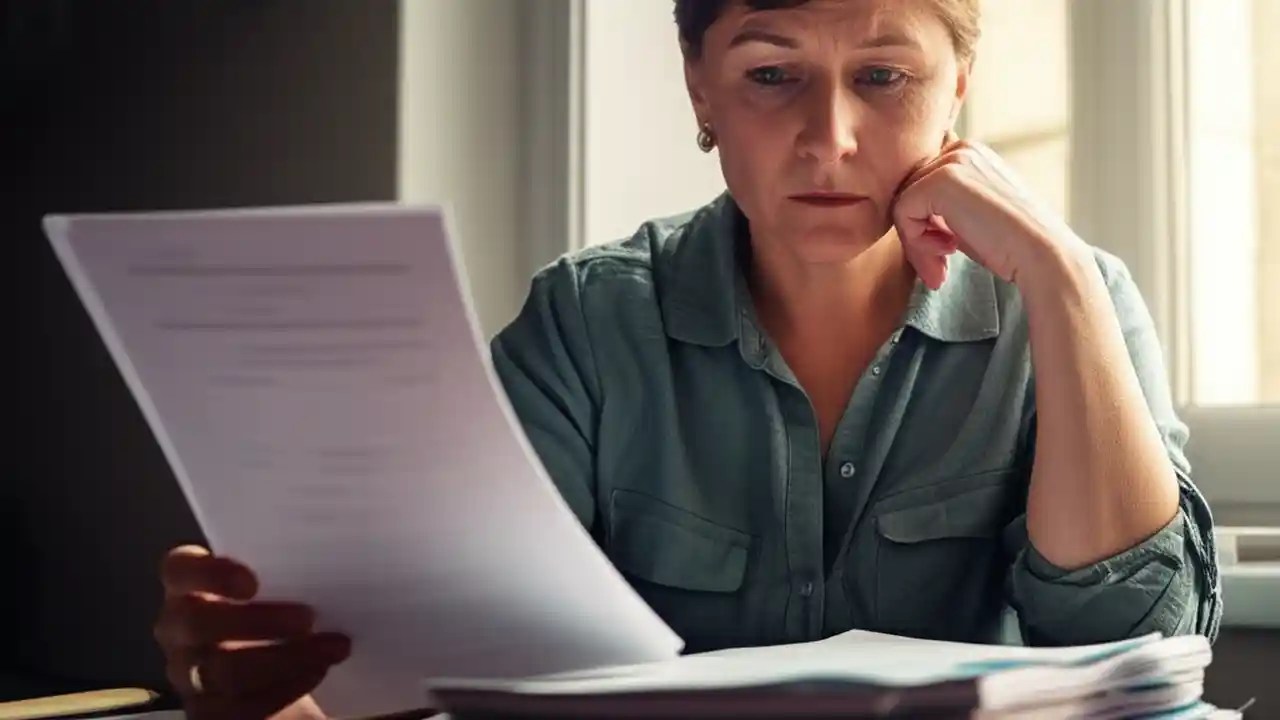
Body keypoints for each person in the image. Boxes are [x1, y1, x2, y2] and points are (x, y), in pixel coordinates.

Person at [151, 1, 1222, 717]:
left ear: (957, 90)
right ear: (699, 92)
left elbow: (1139, 650)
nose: (829, 137)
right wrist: (274, 683)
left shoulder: (1069, 302)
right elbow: (445, 671)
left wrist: (1061, 277)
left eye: (884, 75)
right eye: (770, 75)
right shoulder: (585, 321)